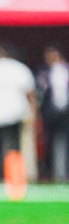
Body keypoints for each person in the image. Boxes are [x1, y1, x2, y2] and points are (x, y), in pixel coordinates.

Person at [0, 44, 37, 182]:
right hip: (16, 112)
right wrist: (33, 113)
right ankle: (13, 176)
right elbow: (30, 94)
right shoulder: (19, 68)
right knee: (14, 146)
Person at [37, 45, 68, 182]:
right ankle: (52, 173)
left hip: (66, 113)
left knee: (64, 142)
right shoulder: (44, 71)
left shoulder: (65, 69)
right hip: (50, 113)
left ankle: (63, 173)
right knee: (49, 143)